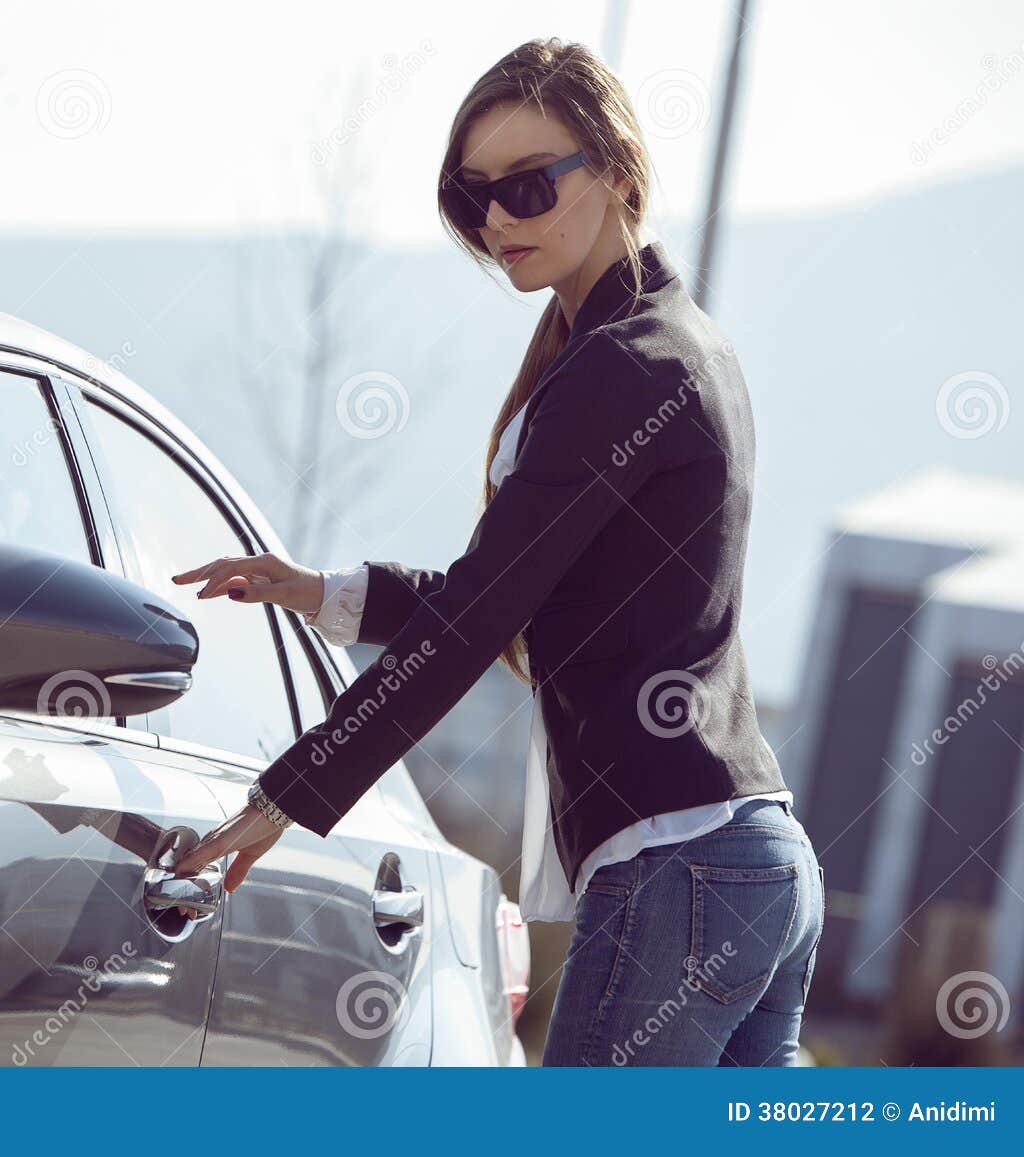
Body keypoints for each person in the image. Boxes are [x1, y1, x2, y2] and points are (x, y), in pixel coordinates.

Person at [170, 36, 824, 1066]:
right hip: (754, 858)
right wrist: (323, 591)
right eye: (471, 196)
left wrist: (286, 795)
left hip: (678, 869)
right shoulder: (681, 341)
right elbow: (522, 590)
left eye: (526, 187)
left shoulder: (624, 367)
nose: (495, 221)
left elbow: (477, 616)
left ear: (613, 170)